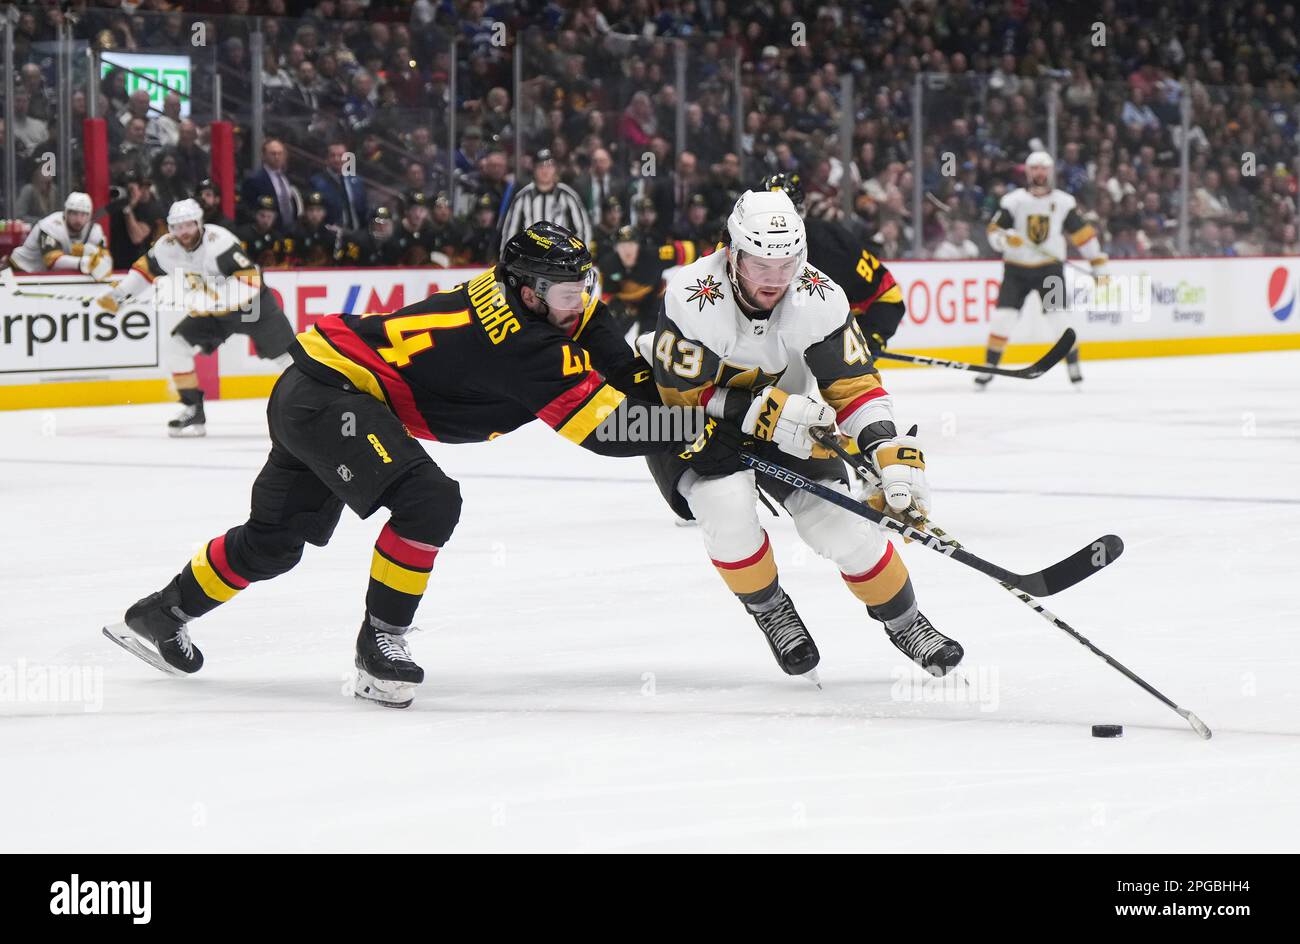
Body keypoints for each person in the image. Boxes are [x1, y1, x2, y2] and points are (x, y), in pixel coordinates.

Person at [104, 222, 700, 709]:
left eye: (584, 286)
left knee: (275, 543)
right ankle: (379, 644)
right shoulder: (523, 347)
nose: (583, 302)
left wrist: (663, 393)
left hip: (309, 389)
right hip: (332, 401)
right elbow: (609, 430)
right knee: (429, 500)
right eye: (570, 293)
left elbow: (620, 371)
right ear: (528, 293)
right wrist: (699, 429)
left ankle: (159, 614)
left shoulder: (535, 302)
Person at [644, 189, 962, 682]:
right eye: (759, 264)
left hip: (787, 417)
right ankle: (770, 608)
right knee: (726, 509)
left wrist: (887, 451)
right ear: (732, 252)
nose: (773, 280)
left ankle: (907, 622)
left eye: (786, 263)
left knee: (839, 524)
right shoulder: (693, 294)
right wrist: (759, 412)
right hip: (695, 426)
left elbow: (853, 386)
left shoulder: (819, 295)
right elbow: (680, 398)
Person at [93, 199, 297, 437]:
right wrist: (119, 294)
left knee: (289, 359)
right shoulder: (166, 247)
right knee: (176, 347)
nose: (183, 232)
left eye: (188, 225)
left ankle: (308, 408)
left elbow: (250, 281)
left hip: (254, 308)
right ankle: (193, 409)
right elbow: (144, 271)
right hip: (213, 312)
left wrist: (214, 301)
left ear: (199, 223)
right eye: (177, 227)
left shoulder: (219, 243)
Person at [978, 151, 1106, 387]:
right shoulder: (1014, 201)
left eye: (1043, 168)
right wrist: (1006, 240)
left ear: (1050, 172)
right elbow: (994, 232)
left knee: (1059, 319)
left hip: (1050, 269)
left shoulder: (1063, 202)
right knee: (1002, 319)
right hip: (1016, 269)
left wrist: (1097, 262)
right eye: (1034, 168)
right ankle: (988, 369)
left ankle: (1074, 365)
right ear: (1027, 172)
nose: (1039, 172)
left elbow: (1083, 235)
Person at [760, 173, 906, 357]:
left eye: (781, 215)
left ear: (799, 212)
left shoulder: (824, 245)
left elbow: (885, 297)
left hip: (870, 311)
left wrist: (871, 335)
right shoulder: (752, 248)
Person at [597, 224, 696, 334]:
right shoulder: (607, 264)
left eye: (631, 244)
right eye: (622, 246)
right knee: (612, 335)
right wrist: (617, 307)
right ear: (616, 248)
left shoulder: (654, 256)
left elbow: (688, 250)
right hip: (625, 304)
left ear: (638, 246)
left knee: (650, 339)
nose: (627, 250)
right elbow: (607, 294)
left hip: (652, 299)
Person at [499, 148, 592, 254]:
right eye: (540, 166)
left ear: (555, 169)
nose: (545, 170)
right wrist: (506, 257)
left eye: (549, 166)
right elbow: (510, 231)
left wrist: (579, 255)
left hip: (561, 258)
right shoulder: (523, 197)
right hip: (530, 257)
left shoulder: (567, 195)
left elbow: (583, 228)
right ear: (534, 169)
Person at [6, 191, 111, 280]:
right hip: (18, 271)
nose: (79, 220)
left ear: (89, 216)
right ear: (66, 213)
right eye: (74, 213)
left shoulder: (94, 230)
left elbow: (107, 260)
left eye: (83, 214)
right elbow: (52, 262)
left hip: (43, 278)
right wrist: (84, 262)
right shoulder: (50, 225)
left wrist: (99, 261)